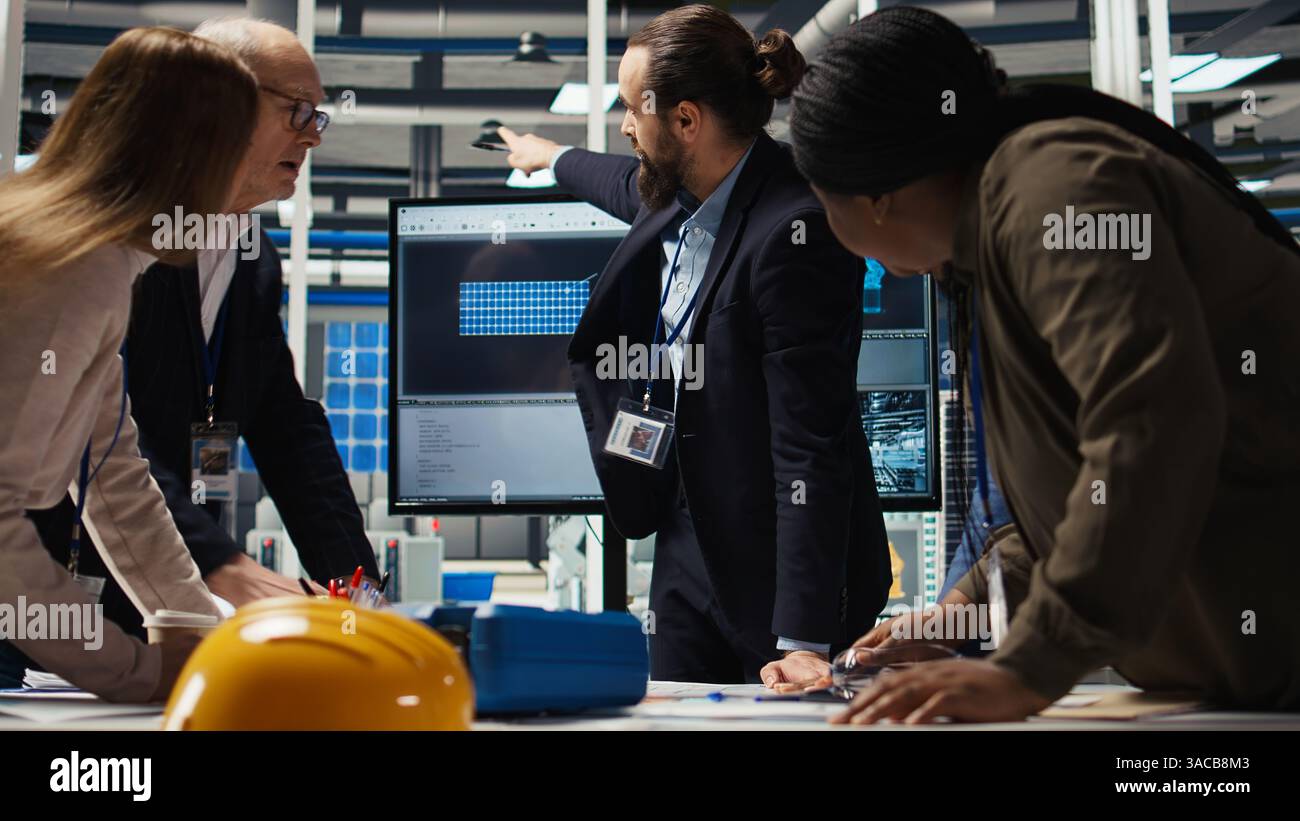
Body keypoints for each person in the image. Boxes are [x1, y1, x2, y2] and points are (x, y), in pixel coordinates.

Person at [788, 5, 1300, 722]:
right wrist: (962, 612)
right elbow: (1080, 502)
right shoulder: (987, 249)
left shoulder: (1050, 189)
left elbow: (1153, 424)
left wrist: (1033, 665)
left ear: (875, 197)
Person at [500, 4, 891, 685]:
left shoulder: (795, 234)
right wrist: (549, 156)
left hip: (780, 572)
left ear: (685, 120)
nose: (624, 126)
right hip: (687, 542)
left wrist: (803, 637)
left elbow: (811, 447)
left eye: (631, 109)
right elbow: (620, 184)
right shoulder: (680, 188)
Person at [19, 18, 381, 662]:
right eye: (298, 111)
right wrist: (220, 570)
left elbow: (277, 425)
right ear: (216, 105)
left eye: (319, 117)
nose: (312, 136)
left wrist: (360, 597)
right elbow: (83, 458)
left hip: (152, 585)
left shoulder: (247, 255)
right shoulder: (89, 254)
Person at [0, 27, 257, 700]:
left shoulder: (92, 256)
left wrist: (199, 631)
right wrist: (133, 669)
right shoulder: (70, 271)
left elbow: (109, 467)